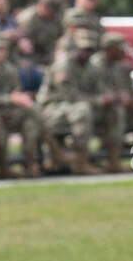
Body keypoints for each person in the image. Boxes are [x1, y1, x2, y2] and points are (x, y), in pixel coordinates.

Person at [0, 34, 44, 178]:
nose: (2, 52)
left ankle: (31, 164)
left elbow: (15, 92)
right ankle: (3, 167)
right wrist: (10, 99)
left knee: (31, 120)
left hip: (9, 110)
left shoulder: (10, 68)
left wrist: (19, 98)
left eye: (4, 49)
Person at [36, 28, 102, 174]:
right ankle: (81, 162)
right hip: (51, 108)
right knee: (82, 110)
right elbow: (70, 96)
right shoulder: (63, 66)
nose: (87, 53)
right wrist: (100, 100)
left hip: (71, 108)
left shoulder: (91, 67)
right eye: (83, 49)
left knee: (109, 110)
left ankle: (110, 159)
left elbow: (98, 91)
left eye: (90, 49)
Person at [89, 32, 133, 173]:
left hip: (110, 106)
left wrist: (129, 97)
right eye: (120, 48)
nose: (123, 52)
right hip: (94, 107)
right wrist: (119, 96)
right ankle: (113, 161)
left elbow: (123, 89)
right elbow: (101, 93)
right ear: (109, 49)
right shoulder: (95, 65)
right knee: (116, 112)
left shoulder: (117, 66)